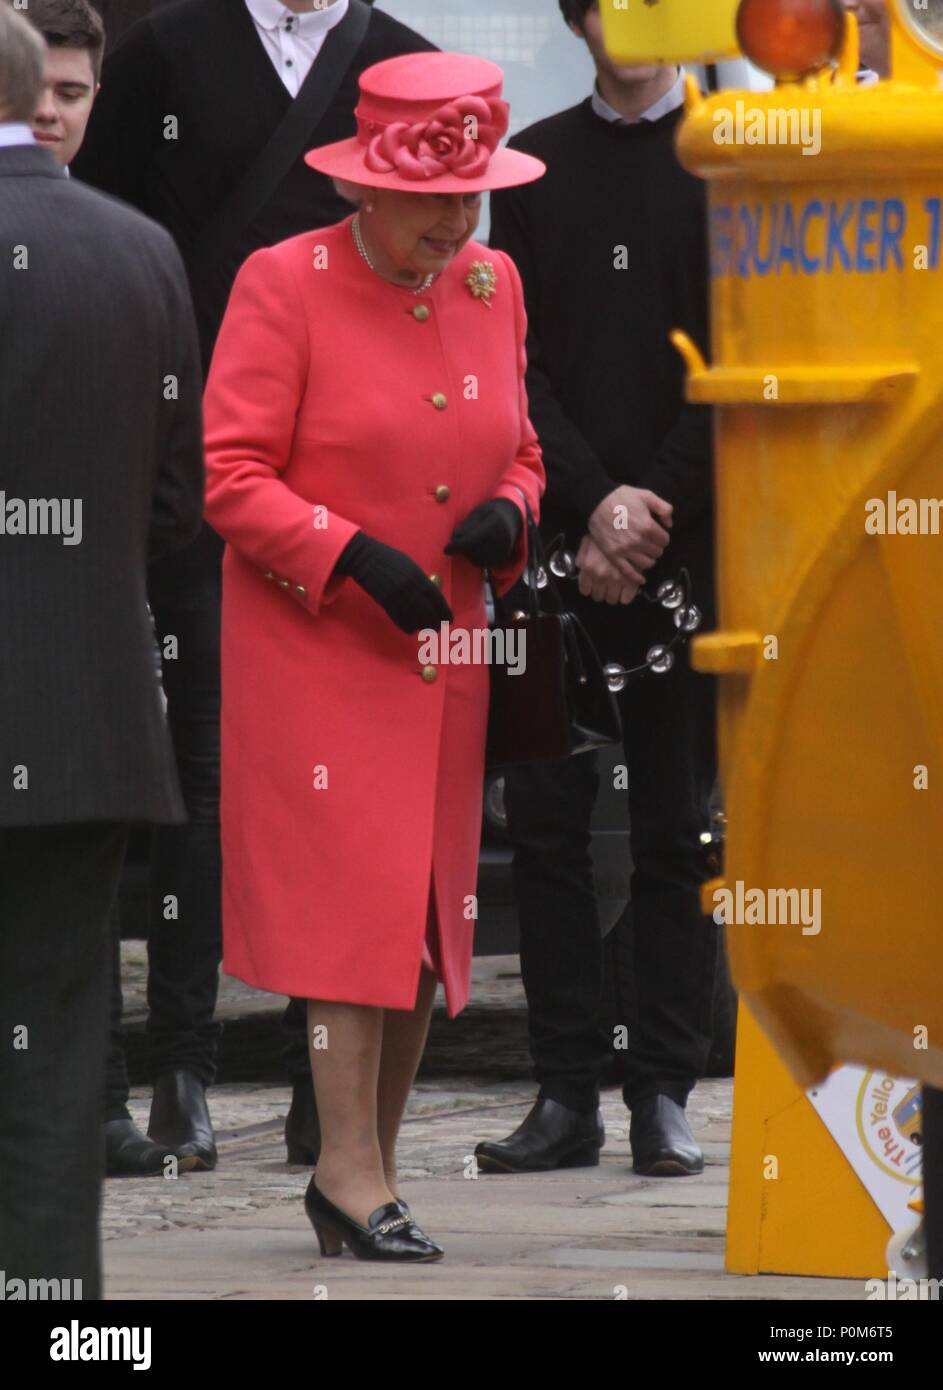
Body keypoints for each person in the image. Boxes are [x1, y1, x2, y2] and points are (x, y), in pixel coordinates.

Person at [71, 0, 436, 1175]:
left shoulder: (404, 65)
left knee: (351, 794)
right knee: (199, 766)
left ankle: (316, 1085)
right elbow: (106, 239)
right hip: (195, 468)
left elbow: (455, 269)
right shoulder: (161, 57)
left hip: (366, 486)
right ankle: (181, 1059)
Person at [202, 50, 545, 1260]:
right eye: (434, 204)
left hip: (445, 651)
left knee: (421, 917)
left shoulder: (494, 281)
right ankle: (347, 1172)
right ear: (364, 189)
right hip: (321, 654)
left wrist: (513, 506)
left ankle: (375, 1167)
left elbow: (524, 447)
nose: (456, 225)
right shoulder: (279, 283)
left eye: (474, 199)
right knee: (348, 917)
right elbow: (231, 477)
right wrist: (348, 555)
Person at [474, 0, 718, 1179]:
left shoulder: (735, 162)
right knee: (551, 829)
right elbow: (506, 366)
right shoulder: (528, 165)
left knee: (676, 827)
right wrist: (594, 502)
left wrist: (652, 506)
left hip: (692, 542)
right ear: (574, 19)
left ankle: (664, 1090)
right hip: (553, 545)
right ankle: (564, 1089)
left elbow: (744, 361)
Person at [0, 3, 204, 1298]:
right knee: (62, 1033)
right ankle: (52, 1295)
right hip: (85, 713)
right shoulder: (142, 251)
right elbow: (180, 506)